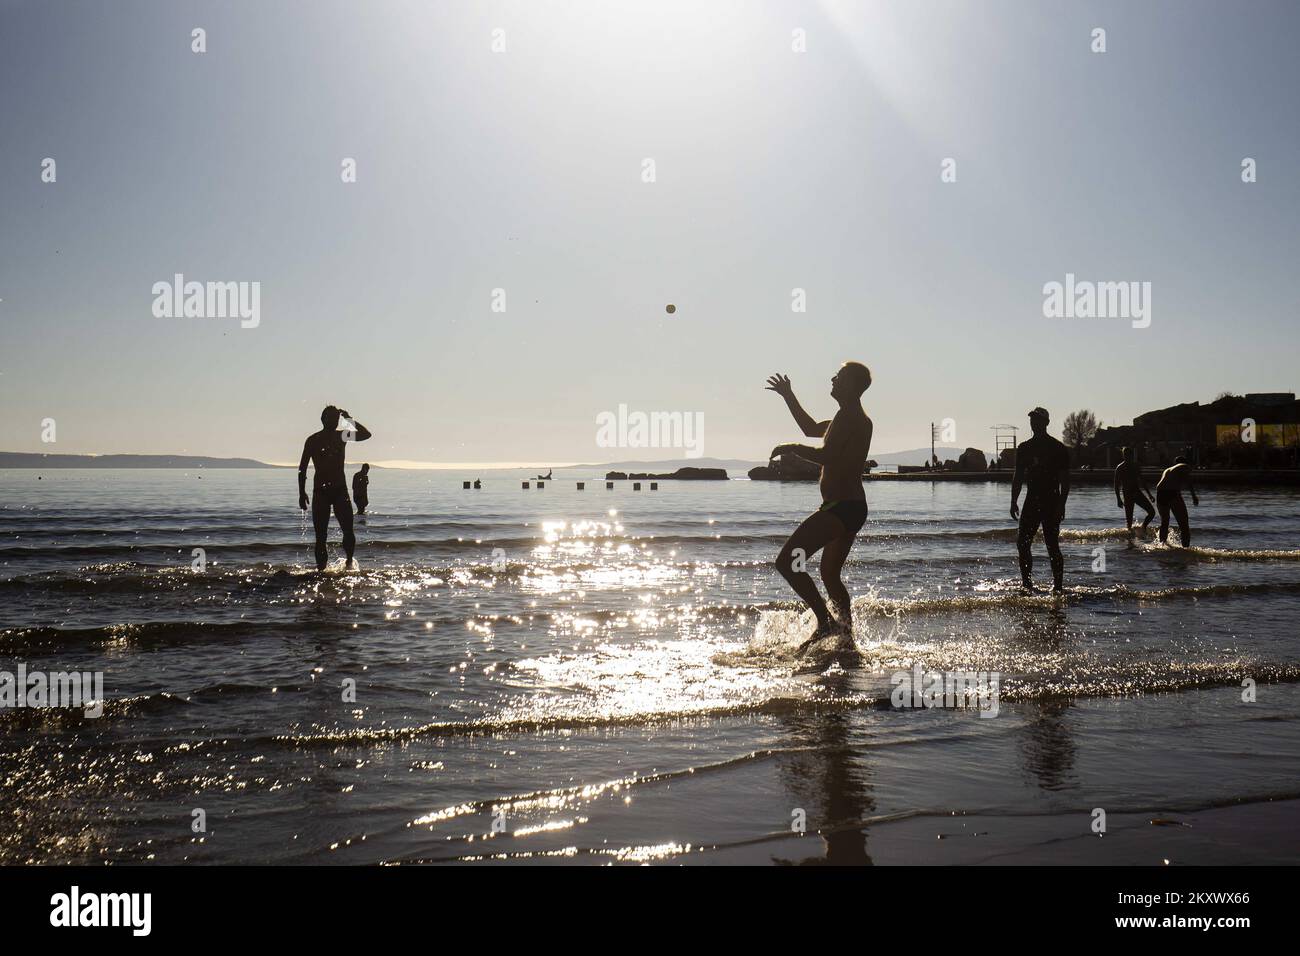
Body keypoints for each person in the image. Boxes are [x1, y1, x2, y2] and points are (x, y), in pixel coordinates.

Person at [765, 364, 873, 653]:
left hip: (841, 508)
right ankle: (846, 635)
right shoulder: (846, 417)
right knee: (829, 575)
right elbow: (811, 428)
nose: (833, 379)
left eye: (839, 377)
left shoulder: (852, 418)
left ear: (851, 385)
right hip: (849, 508)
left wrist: (792, 447)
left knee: (787, 562)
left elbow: (825, 454)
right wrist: (788, 396)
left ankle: (826, 623)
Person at [298, 406, 372, 570]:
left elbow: (366, 435)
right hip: (321, 492)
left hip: (340, 490)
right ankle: (321, 569)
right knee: (321, 536)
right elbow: (302, 467)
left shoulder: (342, 436)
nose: (334, 421)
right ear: (323, 419)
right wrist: (301, 492)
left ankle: (349, 563)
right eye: (330, 417)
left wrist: (349, 419)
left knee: (348, 531)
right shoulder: (313, 440)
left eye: (336, 418)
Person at [1011, 407, 1070, 593]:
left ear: (1046, 423)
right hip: (1031, 500)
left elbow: (1065, 481)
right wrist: (1013, 500)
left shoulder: (1057, 448)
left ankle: (1058, 587)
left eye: (1037, 419)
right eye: (1032, 419)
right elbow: (1018, 476)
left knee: (1052, 544)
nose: (1033, 422)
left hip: (1051, 500)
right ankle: (1027, 584)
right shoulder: (1025, 448)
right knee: (1022, 543)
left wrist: (1061, 505)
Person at [1155, 455, 1199, 547]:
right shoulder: (1184, 466)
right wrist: (1193, 496)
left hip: (1160, 493)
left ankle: (1161, 546)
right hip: (1171, 493)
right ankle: (1186, 548)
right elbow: (1188, 481)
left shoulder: (1168, 469)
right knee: (1184, 525)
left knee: (1165, 522)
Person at [1114, 446, 1155, 534]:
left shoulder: (1136, 466)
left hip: (1137, 493)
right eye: (1125, 455)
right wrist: (1118, 499)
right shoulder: (1120, 467)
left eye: (1128, 455)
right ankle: (1130, 543)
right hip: (1127, 495)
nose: (1127, 456)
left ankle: (1143, 527)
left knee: (1152, 512)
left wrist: (1149, 495)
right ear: (1123, 456)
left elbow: (1142, 481)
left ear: (1131, 455)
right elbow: (1116, 485)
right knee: (1129, 523)